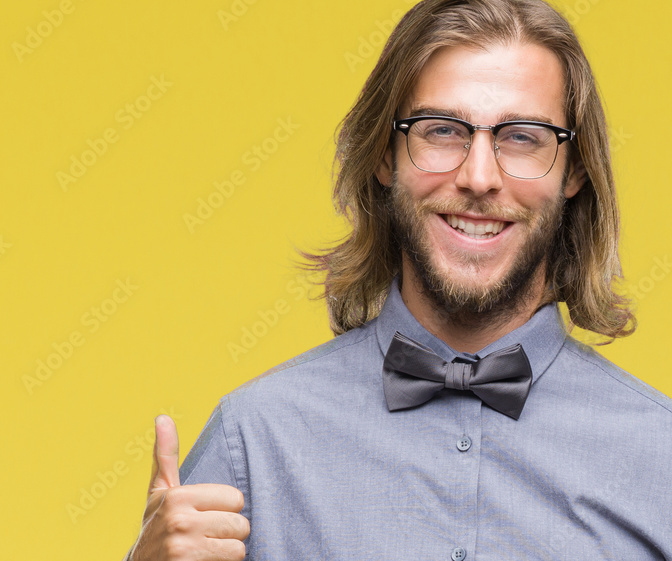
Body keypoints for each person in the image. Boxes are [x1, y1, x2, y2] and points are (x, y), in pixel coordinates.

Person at [123, 0, 672, 559]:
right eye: (441, 130)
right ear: (386, 157)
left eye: (523, 136)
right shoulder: (255, 440)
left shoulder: (662, 455)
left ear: (574, 169)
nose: (478, 177)